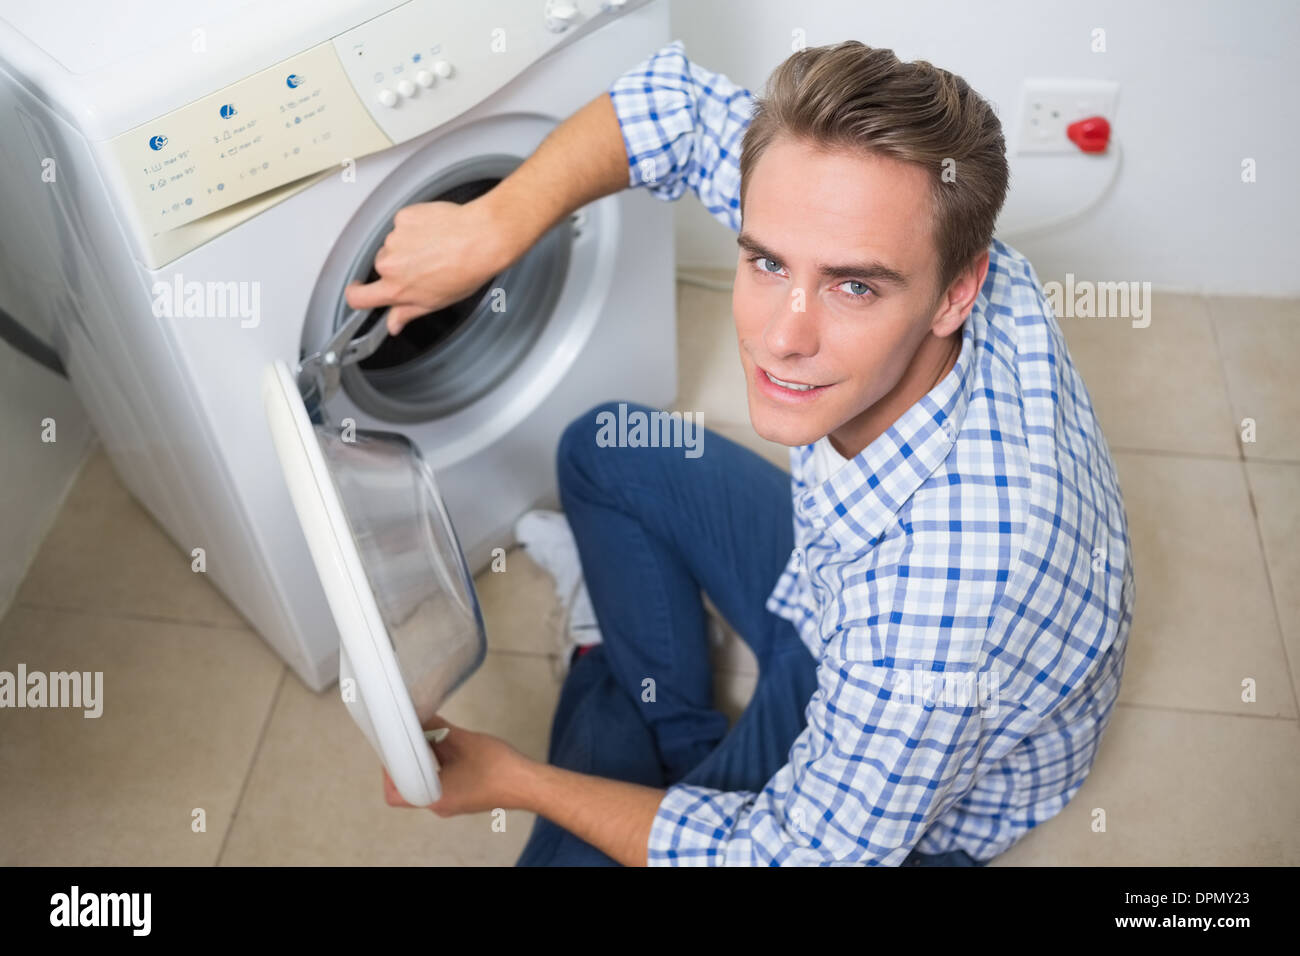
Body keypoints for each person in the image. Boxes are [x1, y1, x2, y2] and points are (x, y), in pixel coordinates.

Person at [358, 39, 1136, 867]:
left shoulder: (932, 615)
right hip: (831, 596)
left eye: (855, 287)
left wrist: (517, 780)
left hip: (904, 764)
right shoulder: (896, 217)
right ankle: (688, 748)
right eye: (767, 261)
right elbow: (675, 106)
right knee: (605, 451)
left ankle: (623, 679)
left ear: (957, 292)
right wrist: (491, 226)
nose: (780, 337)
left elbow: (786, 860)